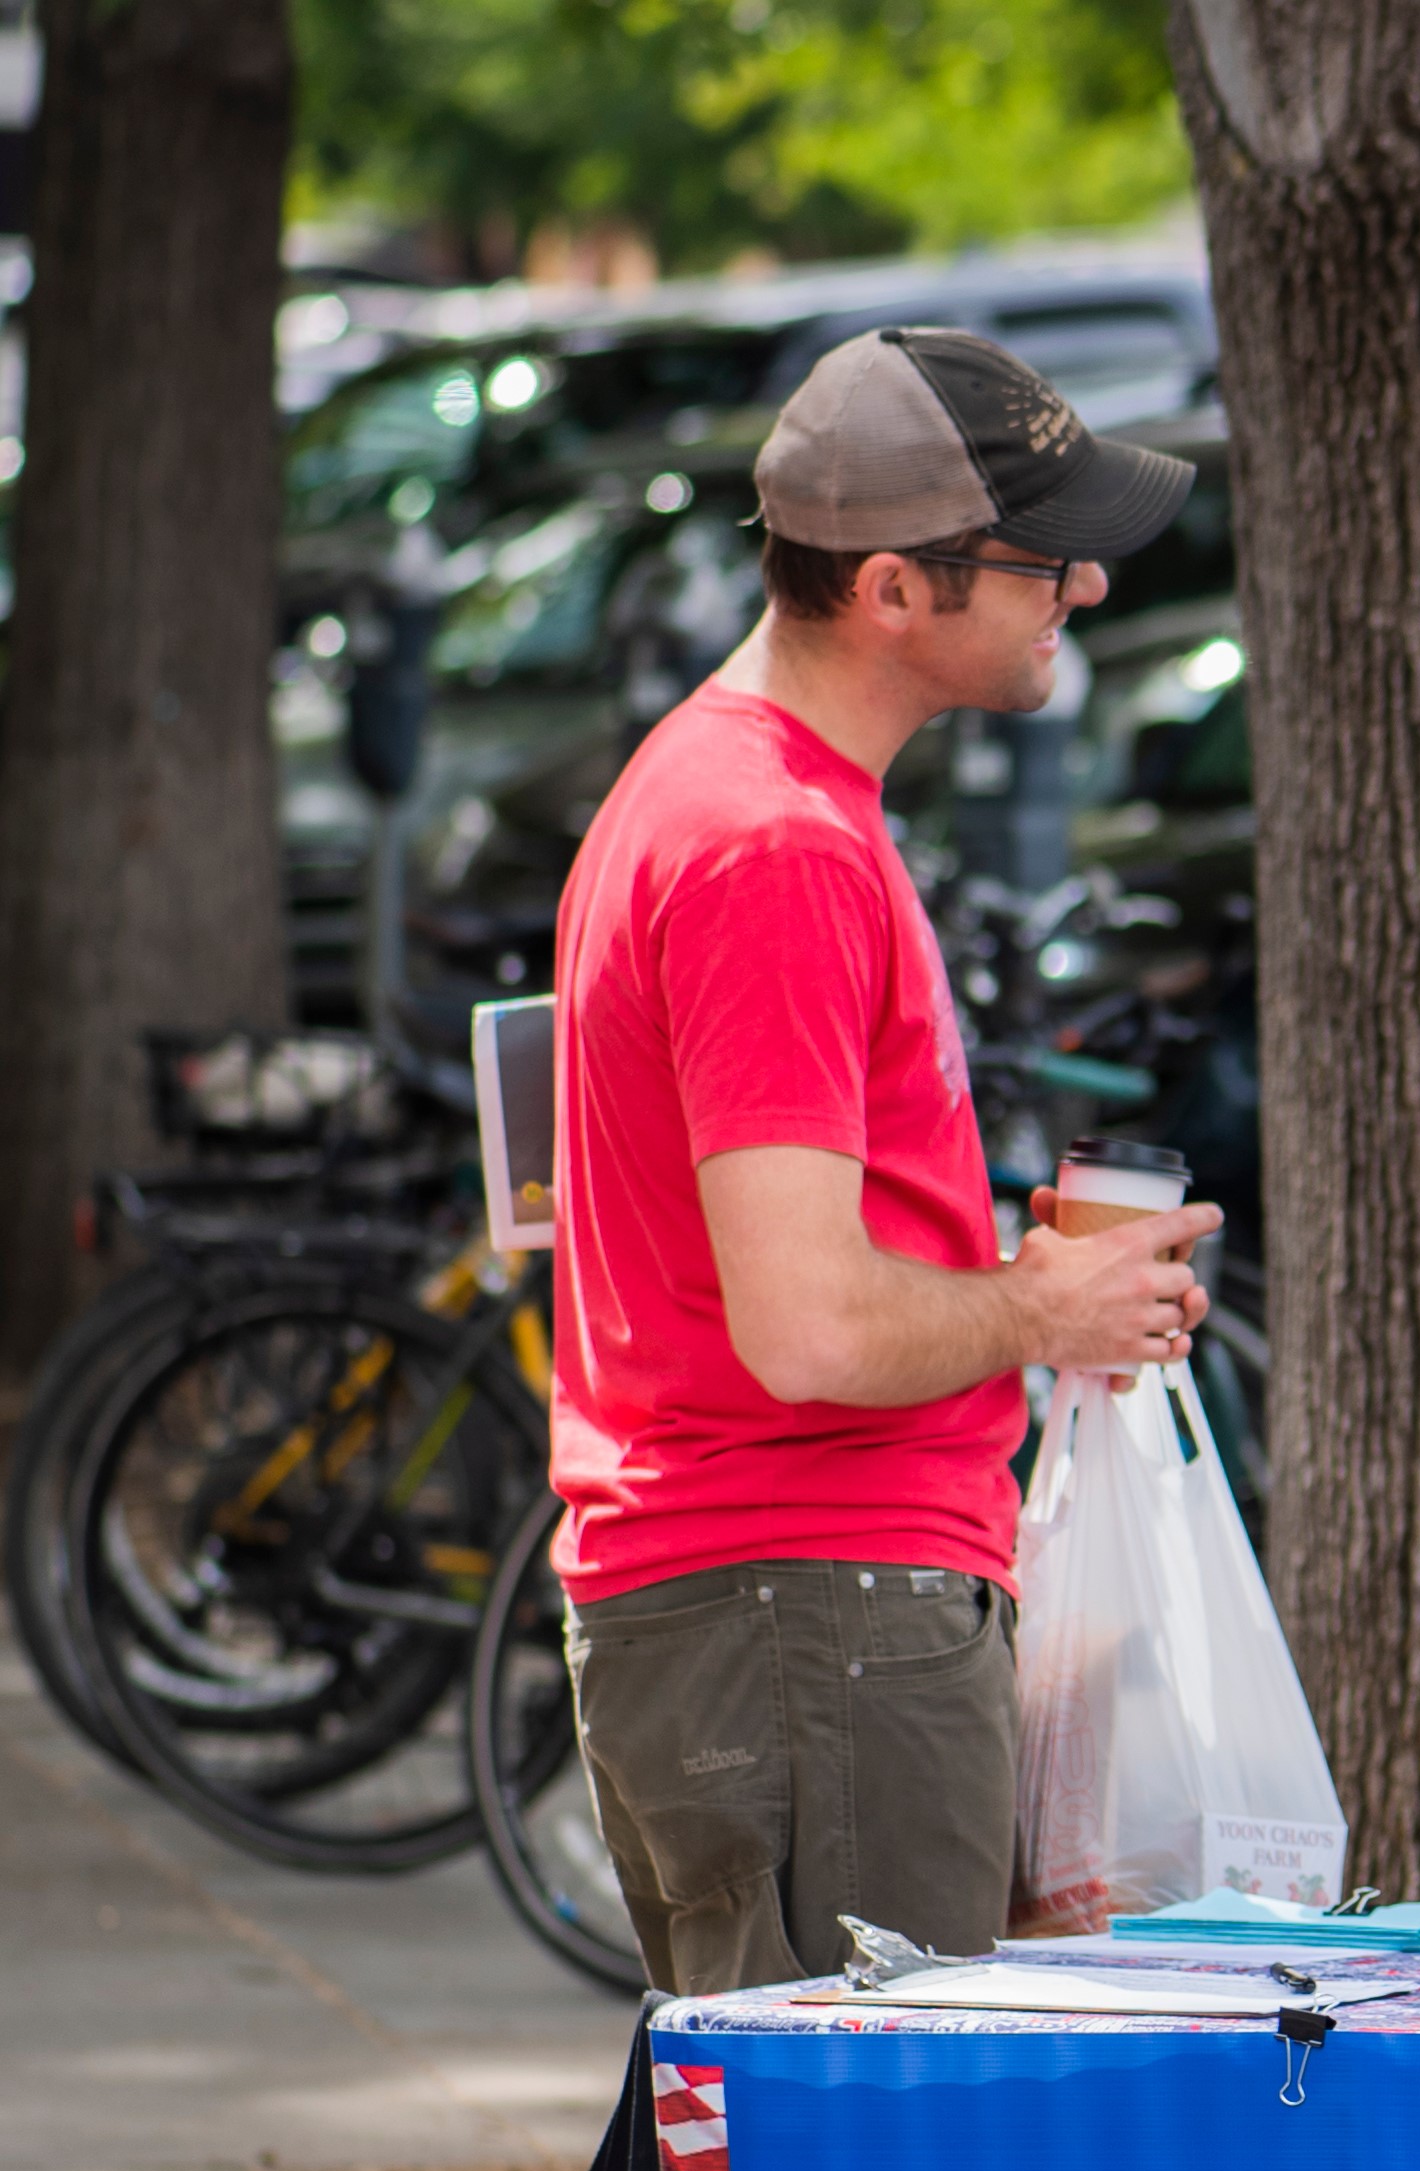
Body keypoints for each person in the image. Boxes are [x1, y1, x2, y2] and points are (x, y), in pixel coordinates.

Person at [549, 328, 1225, 1993]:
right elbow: (812, 1329)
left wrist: (1015, 1273)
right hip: (810, 1613)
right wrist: (1037, 1305)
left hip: (786, 1614)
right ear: (894, 592)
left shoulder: (738, 796)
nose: (1080, 582)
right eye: (1038, 555)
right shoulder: (772, 845)